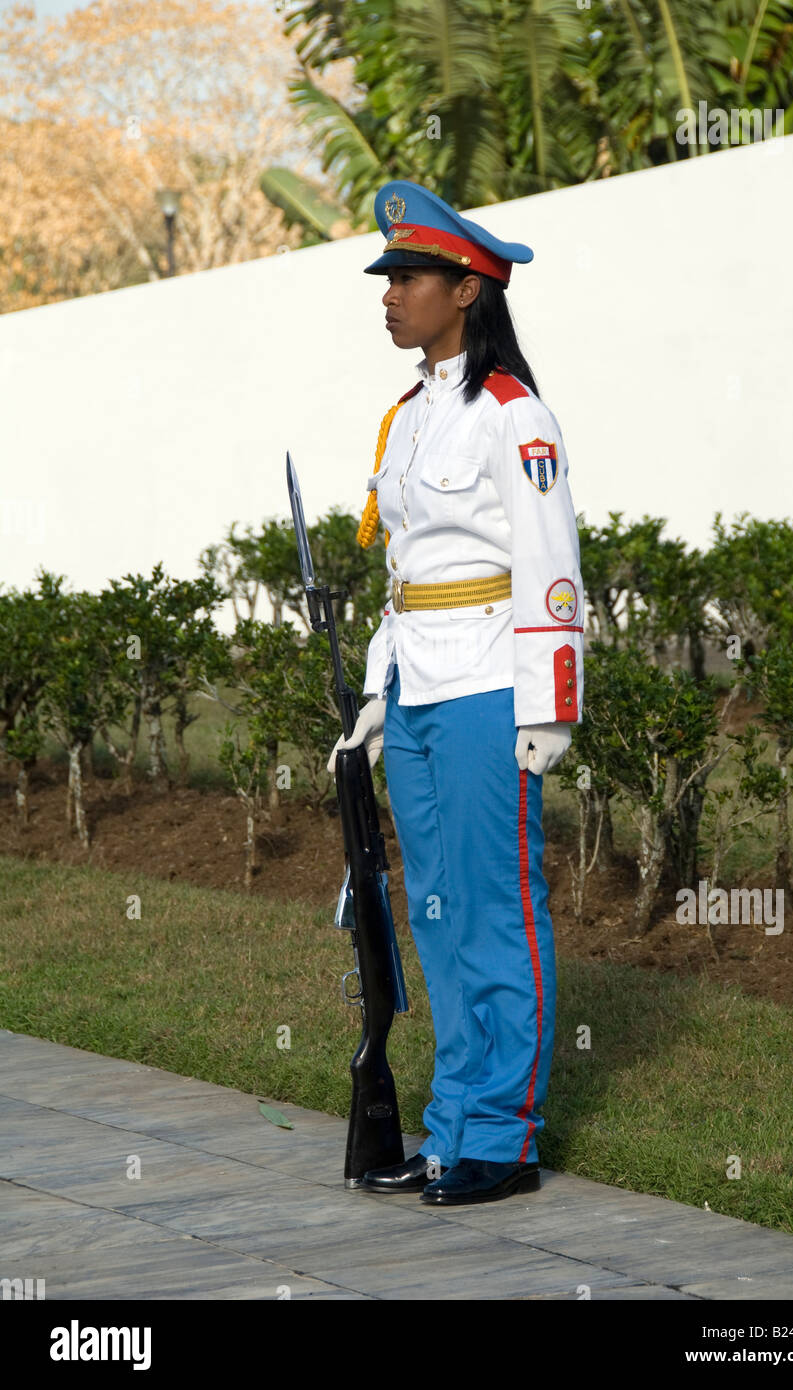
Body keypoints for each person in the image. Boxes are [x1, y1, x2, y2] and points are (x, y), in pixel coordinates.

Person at [328, 180, 584, 1206]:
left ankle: (503, 1137)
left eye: (409, 276)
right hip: (424, 687)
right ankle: (447, 1130)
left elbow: (549, 561)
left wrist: (549, 703)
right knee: (434, 914)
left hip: (489, 686)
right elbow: (405, 575)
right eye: (387, 276)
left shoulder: (515, 416)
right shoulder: (407, 416)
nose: (389, 294)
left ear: (469, 288)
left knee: (497, 909)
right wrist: (382, 695)